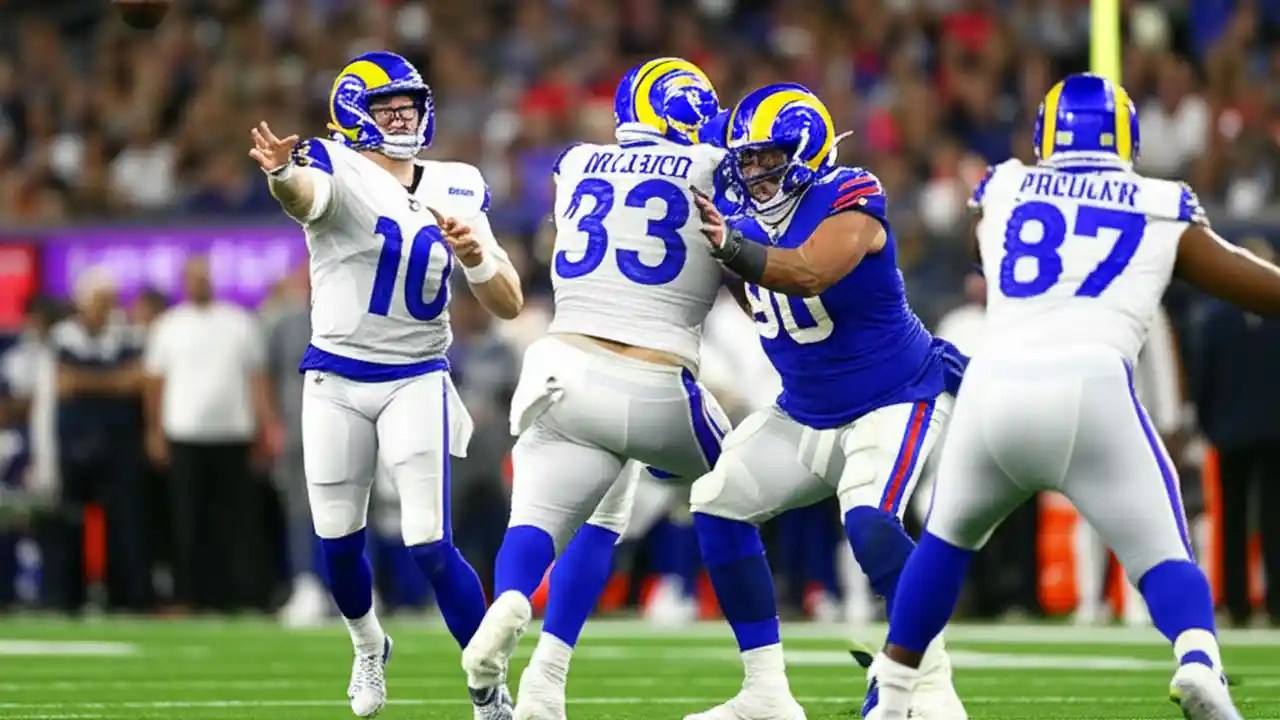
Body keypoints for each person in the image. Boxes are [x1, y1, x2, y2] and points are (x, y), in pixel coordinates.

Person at [866, 73, 1260, 720]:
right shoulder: (1159, 199)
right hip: (1091, 386)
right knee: (1164, 551)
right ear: (1126, 137)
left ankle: (896, 690)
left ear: (1049, 133)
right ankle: (1198, 660)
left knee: (945, 540)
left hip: (996, 388)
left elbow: (978, 247)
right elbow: (1245, 284)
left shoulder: (1008, 183)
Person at [248, 50, 523, 720]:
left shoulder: (457, 182)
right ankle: (368, 646)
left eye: (409, 103)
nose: (402, 115)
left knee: (430, 541)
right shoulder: (331, 164)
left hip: (417, 376)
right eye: (386, 106)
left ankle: (488, 692)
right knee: (338, 544)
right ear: (352, 114)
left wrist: (478, 256)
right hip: (336, 378)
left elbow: (509, 303)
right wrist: (283, 172)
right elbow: (304, 198)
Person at [459, 57, 728, 720]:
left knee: (546, 523)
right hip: (652, 374)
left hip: (560, 368)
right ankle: (767, 681)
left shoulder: (576, 163)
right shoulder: (710, 166)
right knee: (753, 485)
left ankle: (533, 658)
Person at [689, 83, 968, 720]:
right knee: (717, 506)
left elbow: (812, 270)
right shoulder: (740, 208)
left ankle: (932, 686)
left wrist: (732, 248)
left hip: (894, 397)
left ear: (808, 147)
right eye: (747, 160)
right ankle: (766, 694)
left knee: (870, 523)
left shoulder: (850, 193)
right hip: (806, 409)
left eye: (768, 157)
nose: (754, 172)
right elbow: (766, 298)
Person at [144, 258, 279, 612]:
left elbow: (257, 380)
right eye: (193, 278)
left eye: (204, 277)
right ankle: (190, 594)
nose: (199, 283)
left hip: (234, 434)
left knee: (236, 521)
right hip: (184, 433)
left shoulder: (239, 323)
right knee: (188, 520)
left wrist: (266, 426)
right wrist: (154, 432)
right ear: (183, 282)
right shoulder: (169, 326)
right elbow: (154, 384)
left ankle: (238, 594)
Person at [48, 269, 150, 613]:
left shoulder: (127, 334)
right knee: (72, 519)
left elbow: (137, 382)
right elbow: (64, 385)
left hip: (120, 441)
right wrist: (114, 382)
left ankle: (127, 598)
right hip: (76, 441)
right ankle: (68, 597)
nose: (105, 307)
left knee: (125, 522)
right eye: (99, 300)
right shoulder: (65, 336)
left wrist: (86, 381)